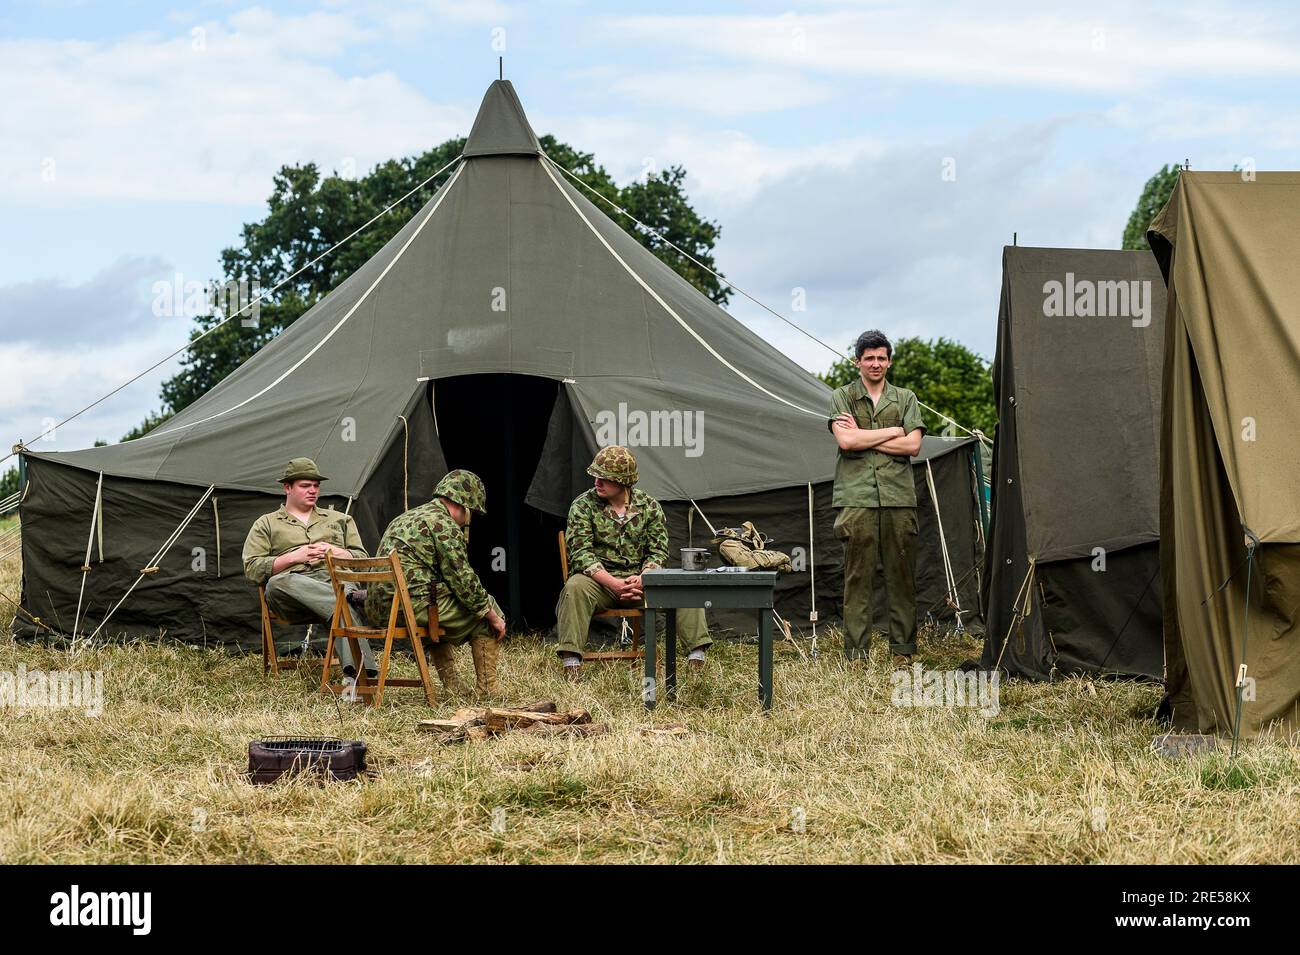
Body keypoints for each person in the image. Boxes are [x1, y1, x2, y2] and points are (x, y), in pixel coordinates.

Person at [556, 445, 710, 681]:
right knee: (574, 587)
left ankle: (696, 661)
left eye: (605, 478)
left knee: (683, 588)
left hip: (640, 582)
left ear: (623, 481)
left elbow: (658, 551)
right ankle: (571, 664)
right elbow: (581, 554)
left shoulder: (649, 507)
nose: (597, 481)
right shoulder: (582, 506)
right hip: (598, 583)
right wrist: (613, 584)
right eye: (596, 475)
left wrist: (644, 577)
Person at [828, 330, 926, 665]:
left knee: (901, 576)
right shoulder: (842, 396)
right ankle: (856, 654)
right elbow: (846, 443)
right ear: (857, 362)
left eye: (881, 357)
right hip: (856, 499)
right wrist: (891, 431)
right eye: (869, 358)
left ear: (889, 361)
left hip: (898, 497)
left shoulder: (905, 398)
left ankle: (903, 651)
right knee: (858, 578)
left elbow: (913, 446)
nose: (875, 363)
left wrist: (862, 435)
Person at [366, 470, 506, 698]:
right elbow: (463, 580)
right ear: (464, 507)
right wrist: (492, 616)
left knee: (439, 603)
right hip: (411, 608)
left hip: (380, 610)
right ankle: (488, 690)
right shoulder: (442, 524)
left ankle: (454, 686)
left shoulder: (405, 518)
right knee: (486, 614)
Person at [243, 457, 376, 694]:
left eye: (316, 485)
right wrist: (295, 556)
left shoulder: (340, 520)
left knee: (339, 603)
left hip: (333, 584)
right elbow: (252, 569)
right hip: (291, 594)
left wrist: (335, 551)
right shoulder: (266, 524)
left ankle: (356, 684)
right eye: (305, 485)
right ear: (288, 488)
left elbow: (363, 562)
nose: (313, 490)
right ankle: (348, 601)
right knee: (279, 581)